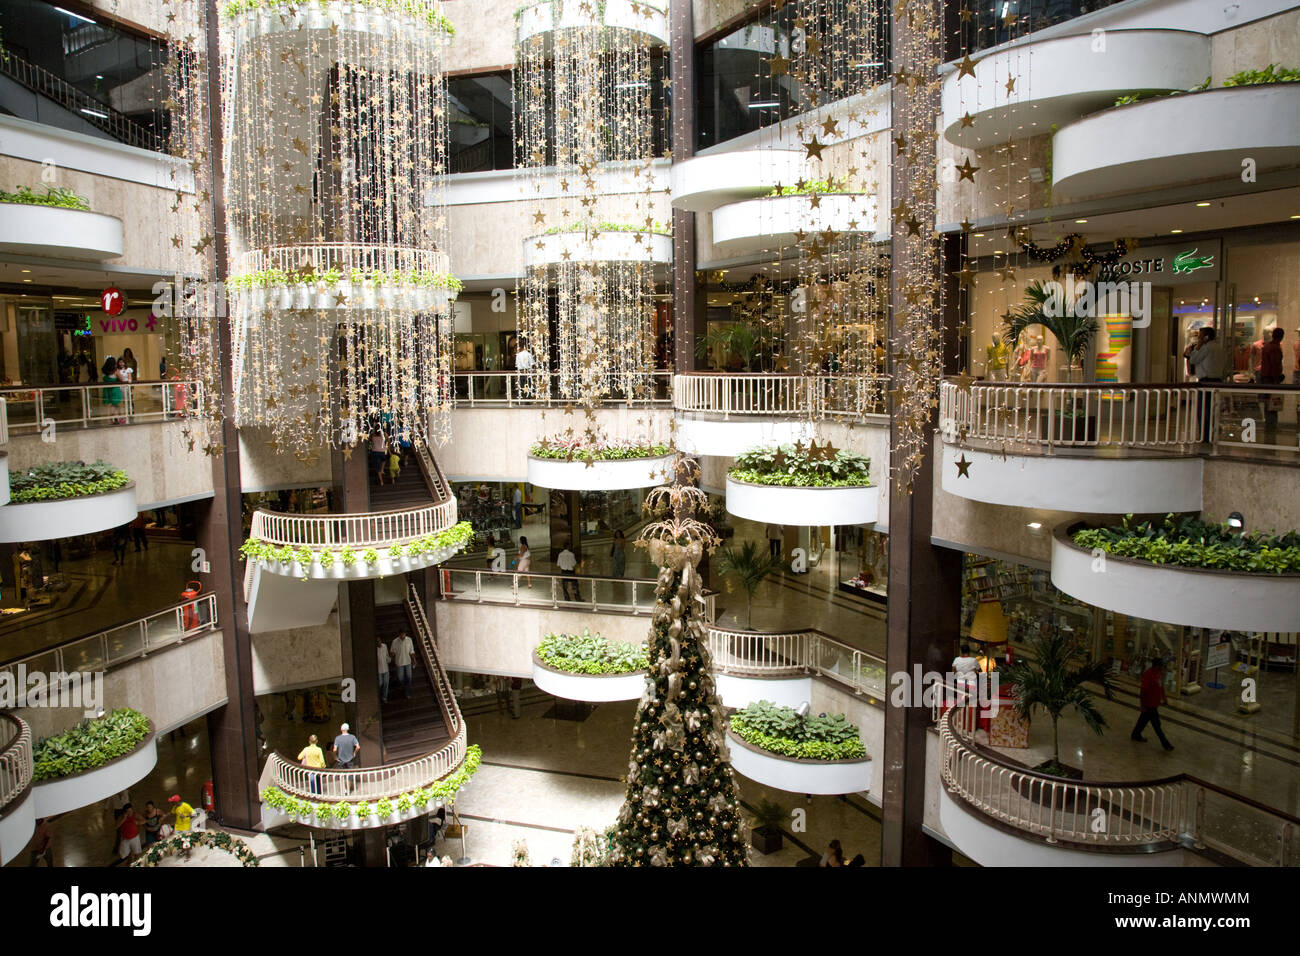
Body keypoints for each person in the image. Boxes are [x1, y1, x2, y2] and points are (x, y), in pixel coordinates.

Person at [1186, 328, 1227, 443]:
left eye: (1200, 336)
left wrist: (1197, 348)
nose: (1198, 338)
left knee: (1203, 409)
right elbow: (1225, 365)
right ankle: (1212, 432)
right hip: (1218, 381)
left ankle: (1205, 435)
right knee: (1213, 408)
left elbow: (1193, 360)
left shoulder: (1206, 348)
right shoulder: (1220, 349)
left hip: (1206, 381)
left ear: (1206, 337)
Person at [1131, 658, 1174, 751]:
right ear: (1157, 666)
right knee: (1156, 725)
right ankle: (1166, 744)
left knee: (1144, 720)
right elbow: (1143, 691)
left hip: (1154, 703)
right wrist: (1142, 705)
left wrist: (1164, 698)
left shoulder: (1158, 674)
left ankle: (1135, 734)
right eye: (1161, 666)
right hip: (1149, 704)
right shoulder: (1148, 675)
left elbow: (1160, 687)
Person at [333, 723, 361, 793]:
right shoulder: (352, 737)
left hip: (340, 759)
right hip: (350, 759)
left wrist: (335, 756)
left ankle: (343, 790)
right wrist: (354, 753)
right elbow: (358, 747)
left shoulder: (338, 738)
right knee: (349, 775)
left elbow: (335, 749)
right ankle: (348, 790)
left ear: (341, 729)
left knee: (342, 774)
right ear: (348, 729)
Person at [392, 630, 415, 698]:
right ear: (399, 634)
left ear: (405, 634)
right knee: (400, 678)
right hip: (399, 662)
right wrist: (393, 657)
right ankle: (399, 684)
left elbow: (411, 651)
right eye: (401, 635)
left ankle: (407, 693)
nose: (402, 636)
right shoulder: (395, 641)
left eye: (403, 634)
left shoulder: (409, 640)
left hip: (408, 662)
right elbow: (392, 651)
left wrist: (414, 660)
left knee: (409, 678)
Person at [101, 356, 124, 423]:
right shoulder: (115, 371)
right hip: (115, 390)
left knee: (115, 405)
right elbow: (121, 379)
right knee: (115, 405)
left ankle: (118, 417)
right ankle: (113, 418)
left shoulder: (104, 371)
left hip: (107, 390)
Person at [377, 636, 392, 703]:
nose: (379, 642)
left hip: (386, 669)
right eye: (377, 641)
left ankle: (384, 697)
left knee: (386, 683)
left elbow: (387, 655)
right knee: (380, 684)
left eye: (379, 641)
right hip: (379, 670)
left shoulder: (384, 646)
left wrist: (389, 659)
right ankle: (378, 696)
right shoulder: (375, 649)